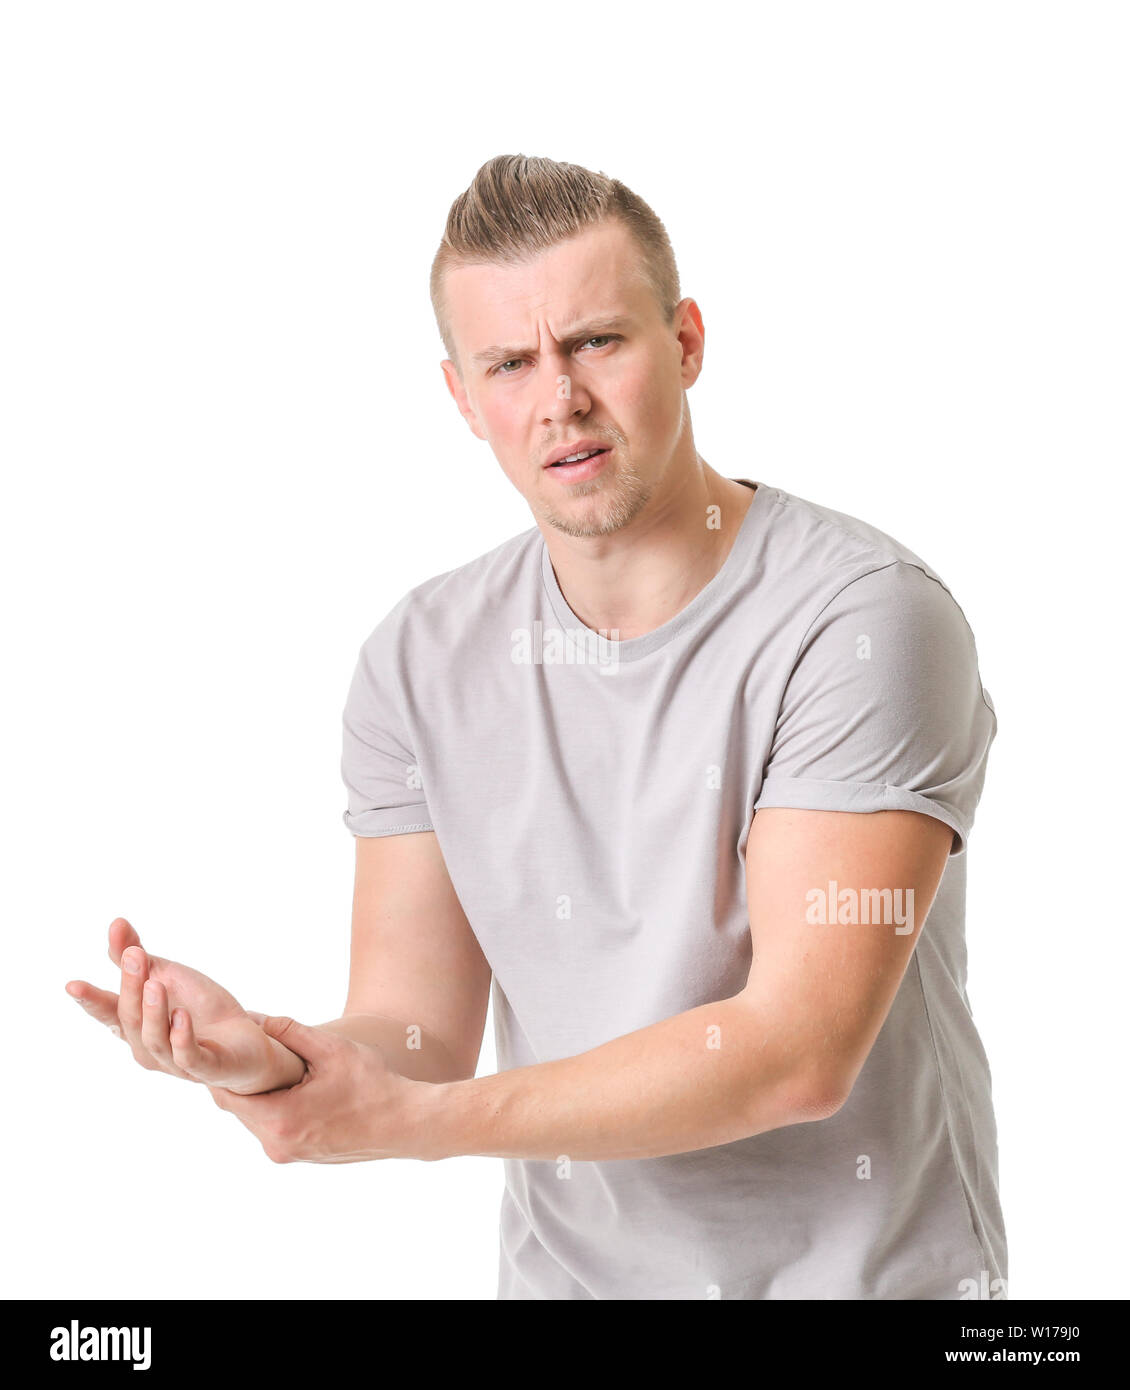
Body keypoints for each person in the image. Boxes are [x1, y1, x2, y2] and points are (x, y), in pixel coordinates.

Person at [66, 154, 1007, 1301]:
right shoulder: (419, 659)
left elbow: (795, 1052)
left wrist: (422, 1125)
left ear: (688, 342)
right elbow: (416, 1028)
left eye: (597, 341)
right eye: (509, 362)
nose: (557, 397)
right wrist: (275, 1054)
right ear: (462, 397)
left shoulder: (862, 621)